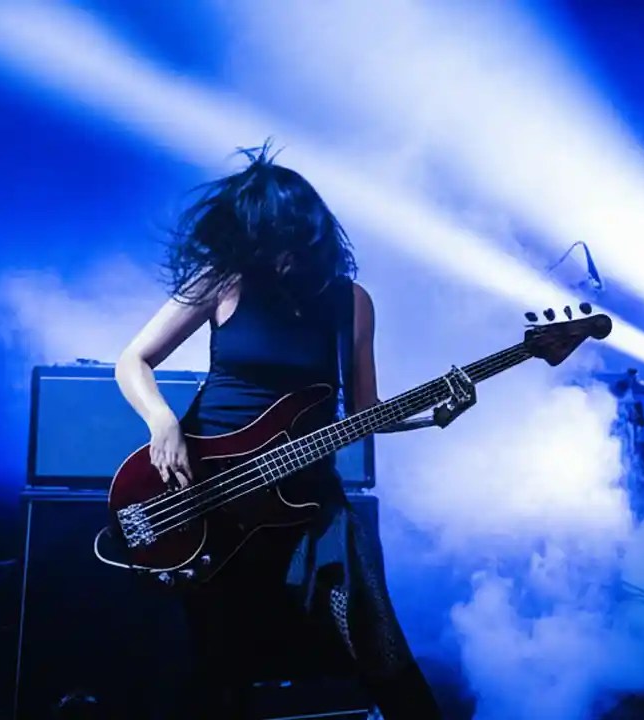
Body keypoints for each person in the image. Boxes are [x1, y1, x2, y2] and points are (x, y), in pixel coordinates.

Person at [114, 143, 441, 719]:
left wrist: (432, 415)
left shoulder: (350, 303)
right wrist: (162, 422)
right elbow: (133, 360)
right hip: (208, 492)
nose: (277, 253)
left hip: (308, 498)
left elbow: (367, 411)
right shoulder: (223, 282)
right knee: (220, 666)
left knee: (375, 636)